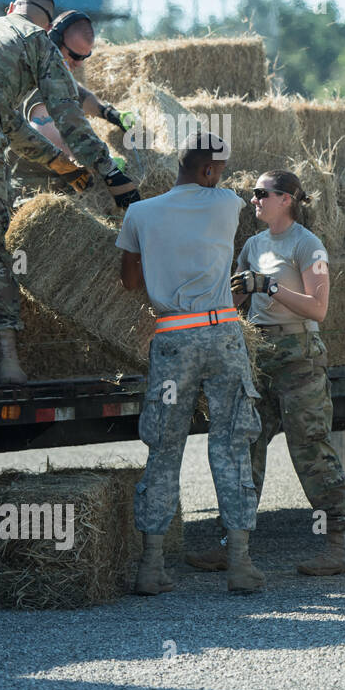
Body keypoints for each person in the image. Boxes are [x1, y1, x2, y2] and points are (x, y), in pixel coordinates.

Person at [115, 130, 264, 595]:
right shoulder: (227, 205)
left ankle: (151, 566)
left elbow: (129, 282)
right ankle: (240, 564)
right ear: (208, 170)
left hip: (172, 340)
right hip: (221, 335)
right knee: (231, 444)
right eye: (220, 170)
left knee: (164, 449)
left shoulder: (139, 214)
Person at [184, 170, 345, 577]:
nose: (254, 199)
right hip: (259, 354)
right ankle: (232, 546)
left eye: (262, 193)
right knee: (246, 448)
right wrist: (231, 290)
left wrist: (270, 286)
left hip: (299, 356)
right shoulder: (253, 245)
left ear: (286, 199)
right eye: (253, 193)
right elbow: (236, 301)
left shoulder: (307, 244)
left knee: (310, 448)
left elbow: (318, 309)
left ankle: (336, 548)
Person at [0, 0, 139, 382]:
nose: (76, 64)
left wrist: (61, 164)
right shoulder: (36, 42)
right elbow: (69, 118)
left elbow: (5, 120)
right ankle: (8, 359)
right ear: (49, 29)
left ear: (11, 9)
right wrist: (111, 174)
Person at [7, 9, 137, 199]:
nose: (79, 64)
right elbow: (45, 131)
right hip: (34, 191)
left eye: (85, 57)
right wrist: (99, 164)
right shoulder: (40, 76)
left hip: (53, 188)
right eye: (75, 56)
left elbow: (77, 93)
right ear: (54, 40)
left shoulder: (55, 71)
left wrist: (109, 113)